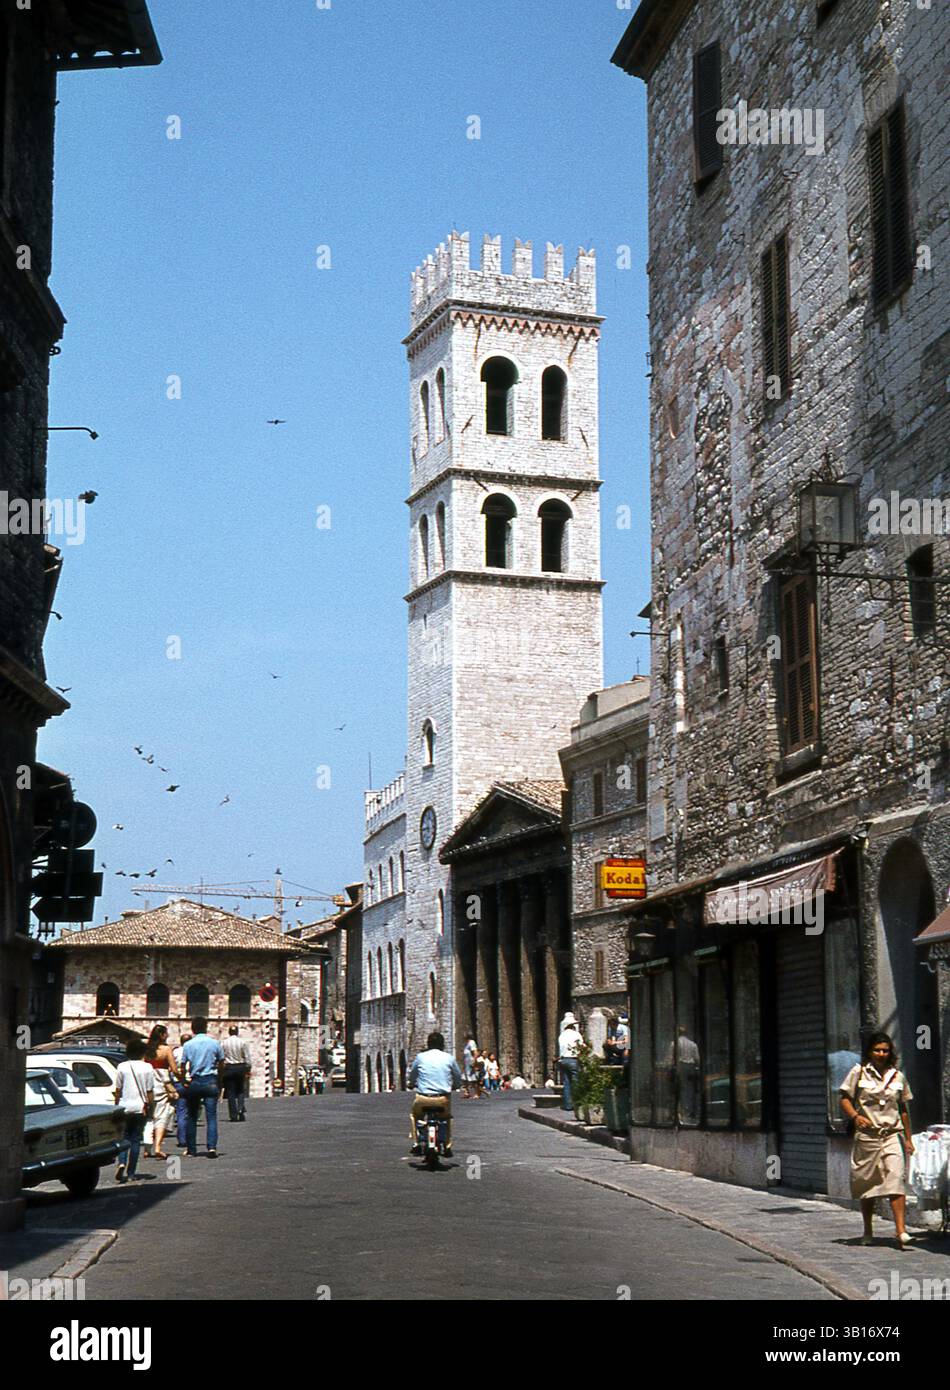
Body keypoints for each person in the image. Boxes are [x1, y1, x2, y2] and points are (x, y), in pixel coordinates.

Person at [839, 1031, 915, 1250]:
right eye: (877, 1050)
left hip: (891, 1135)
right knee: (868, 1184)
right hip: (867, 1137)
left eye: (885, 1050)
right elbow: (845, 1099)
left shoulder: (898, 1076)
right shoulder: (859, 1072)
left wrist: (908, 1139)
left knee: (895, 1179)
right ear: (870, 1052)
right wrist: (855, 1116)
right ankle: (867, 1229)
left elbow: (903, 1109)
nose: (881, 1054)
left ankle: (900, 1231)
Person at [407, 1031, 462, 1156]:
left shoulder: (420, 1057)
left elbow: (413, 1074)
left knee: (415, 1116)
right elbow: (457, 1076)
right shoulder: (449, 1058)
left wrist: (411, 1083)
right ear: (442, 1045)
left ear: (428, 1044)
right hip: (442, 1099)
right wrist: (456, 1085)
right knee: (446, 1118)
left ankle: (416, 1143)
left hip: (423, 1098)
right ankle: (447, 1146)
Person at [113, 1037, 155, 1182]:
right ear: (142, 1052)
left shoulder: (122, 1067)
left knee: (123, 1137)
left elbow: (118, 1089)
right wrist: (151, 1108)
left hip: (125, 1106)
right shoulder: (148, 1067)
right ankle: (131, 1172)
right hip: (140, 1107)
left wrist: (116, 1104)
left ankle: (122, 1162)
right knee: (136, 1140)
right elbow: (150, 1091)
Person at [181, 1017, 225, 1158]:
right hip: (210, 1080)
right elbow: (221, 1062)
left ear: (193, 1029)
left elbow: (183, 1065)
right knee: (211, 1117)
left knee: (192, 1116)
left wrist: (184, 1081)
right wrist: (219, 1080)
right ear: (206, 1028)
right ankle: (211, 1147)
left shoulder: (188, 1045)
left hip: (195, 1082)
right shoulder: (214, 1043)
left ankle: (191, 1149)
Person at [143, 1023, 180, 1160]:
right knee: (162, 1117)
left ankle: (147, 1148)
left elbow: (142, 1065)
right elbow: (174, 1070)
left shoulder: (146, 1049)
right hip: (162, 1085)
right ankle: (158, 1147)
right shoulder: (166, 1050)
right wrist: (182, 1080)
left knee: (148, 1117)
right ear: (163, 1035)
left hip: (148, 1085)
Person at [221, 1026, 252, 1121]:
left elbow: (221, 1057)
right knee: (240, 1090)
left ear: (229, 1032)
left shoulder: (223, 1043)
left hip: (229, 1067)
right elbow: (247, 1057)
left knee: (230, 1091)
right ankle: (240, 1108)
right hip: (240, 1067)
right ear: (237, 1032)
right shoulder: (242, 1042)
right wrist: (248, 1069)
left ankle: (233, 1115)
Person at [557, 1012, 584, 1111]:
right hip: (573, 1059)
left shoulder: (561, 1035)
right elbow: (581, 1046)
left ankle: (567, 1105)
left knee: (566, 1083)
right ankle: (577, 1103)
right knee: (576, 1082)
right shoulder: (576, 1034)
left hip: (563, 1060)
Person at [171, 1032, 191, 1148]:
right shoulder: (193, 1050)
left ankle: (182, 1139)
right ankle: (189, 1138)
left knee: (181, 1111)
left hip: (178, 1081)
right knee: (191, 1112)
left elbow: (171, 1068)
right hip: (191, 1081)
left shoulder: (176, 1052)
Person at [461, 1034, 478, 1100]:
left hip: (470, 1063)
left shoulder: (472, 1042)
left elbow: (475, 1052)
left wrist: (474, 1061)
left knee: (472, 1078)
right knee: (465, 1078)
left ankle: (476, 1093)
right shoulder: (466, 1044)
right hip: (466, 1063)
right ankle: (466, 1092)